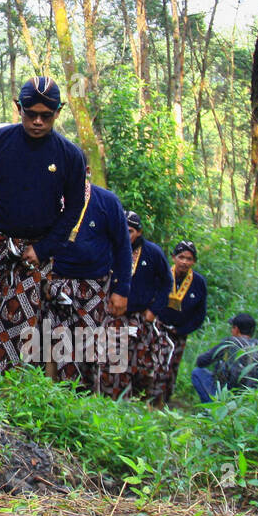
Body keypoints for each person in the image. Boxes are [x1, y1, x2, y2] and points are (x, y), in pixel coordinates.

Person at [0, 77, 88, 375]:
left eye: (46, 116)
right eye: (30, 114)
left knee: (19, 317)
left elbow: (74, 208)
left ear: (57, 112)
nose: (37, 121)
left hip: (36, 250)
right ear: (18, 108)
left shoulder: (69, 156)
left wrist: (45, 248)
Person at [41, 168, 132, 395]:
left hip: (92, 286)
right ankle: (47, 394)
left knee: (87, 346)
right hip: (54, 281)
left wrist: (122, 290)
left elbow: (123, 247)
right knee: (51, 338)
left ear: (87, 171)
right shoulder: (49, 197)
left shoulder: (107, 201)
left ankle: (82, 399)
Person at [145, 240, 208, 406]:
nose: (184, 262)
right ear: (173, 258)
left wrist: (184, 330)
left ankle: (165, 401)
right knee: (157, 363)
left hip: (180, 333)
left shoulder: (199, 283)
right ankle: (151, 400)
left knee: (172, 367)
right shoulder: (163, 275)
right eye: (181, 257)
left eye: (189, 258)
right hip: (159, 328)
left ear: (193, 261)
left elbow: (200, 314)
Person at [118, 210, 172, 400]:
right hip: (114, 313)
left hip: (141, 316)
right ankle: (111, 402)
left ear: (139, 232)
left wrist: (154, 310)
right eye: (122, 228)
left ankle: (139, 401)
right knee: (113, 360)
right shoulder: (111, 247)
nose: (126, 234)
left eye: (130, 230)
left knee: (141, 363)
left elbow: (167, 283)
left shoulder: (153, 253)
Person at [192, 312, 258, 403]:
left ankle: (212, 409)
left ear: (236, 329)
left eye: (232, 327)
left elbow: (201, 361)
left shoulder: (230, 342)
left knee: (197, 372)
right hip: (250, 397)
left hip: (227, 395)